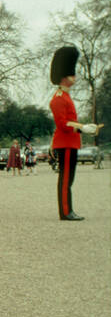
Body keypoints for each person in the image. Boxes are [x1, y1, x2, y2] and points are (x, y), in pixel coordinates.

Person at [49, 44, 100, 221]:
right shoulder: (58, 99)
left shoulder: (66, 96)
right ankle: (65, 211)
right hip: (65, 143)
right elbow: (63, 124)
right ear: (64, 77)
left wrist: (85, 127)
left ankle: (68, 209)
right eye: (71, 73)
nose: (74, 76)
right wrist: (81, 127)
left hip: (70, 142)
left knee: (69, 179)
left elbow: (70, 121)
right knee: (65, 180)